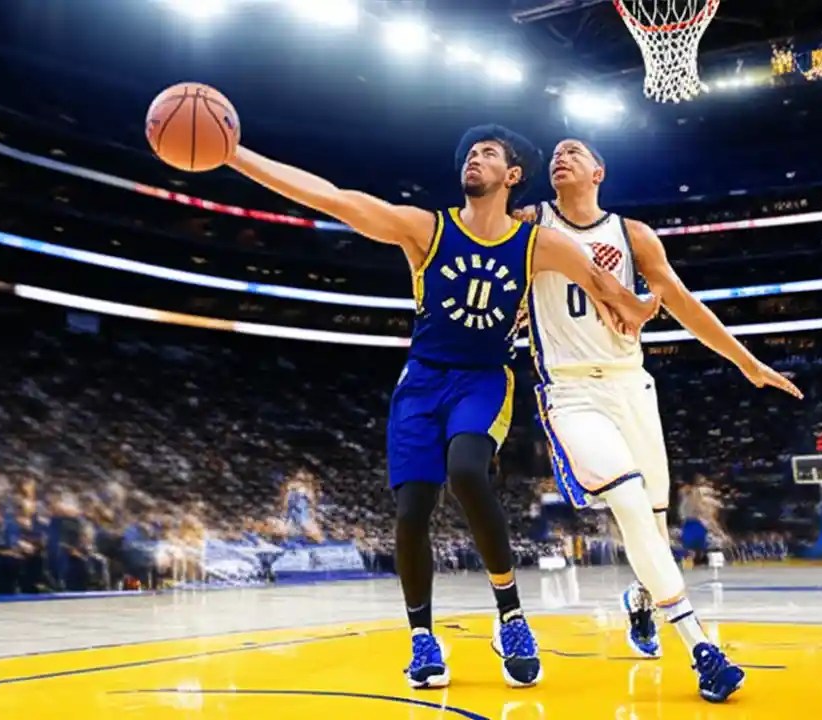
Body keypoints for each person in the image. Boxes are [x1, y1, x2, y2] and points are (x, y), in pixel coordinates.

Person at [218, 124, 658, 690]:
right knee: (412, 511)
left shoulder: (536, 244)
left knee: (468, 470)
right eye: (470, 154)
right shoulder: (427, 228)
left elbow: (599, 281)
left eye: (488, 154)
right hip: (422, 383)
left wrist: (637, 306)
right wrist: (234, 154)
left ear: (513, 175)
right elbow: (330, 198)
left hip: (483, 380)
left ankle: (511, 616)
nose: (474, 159)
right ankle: (422, 636)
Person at [513, 138, 803, 703]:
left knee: (651, 522)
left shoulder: (633, 235)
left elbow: (684, 304)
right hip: (570, 390)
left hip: (632, 389)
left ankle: (641, 600)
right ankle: (702, 647)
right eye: (555, 152)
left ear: (599, 170)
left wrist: (747, 363)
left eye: (575, 151)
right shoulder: (530, 221)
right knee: (625, 500)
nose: (561, 155)